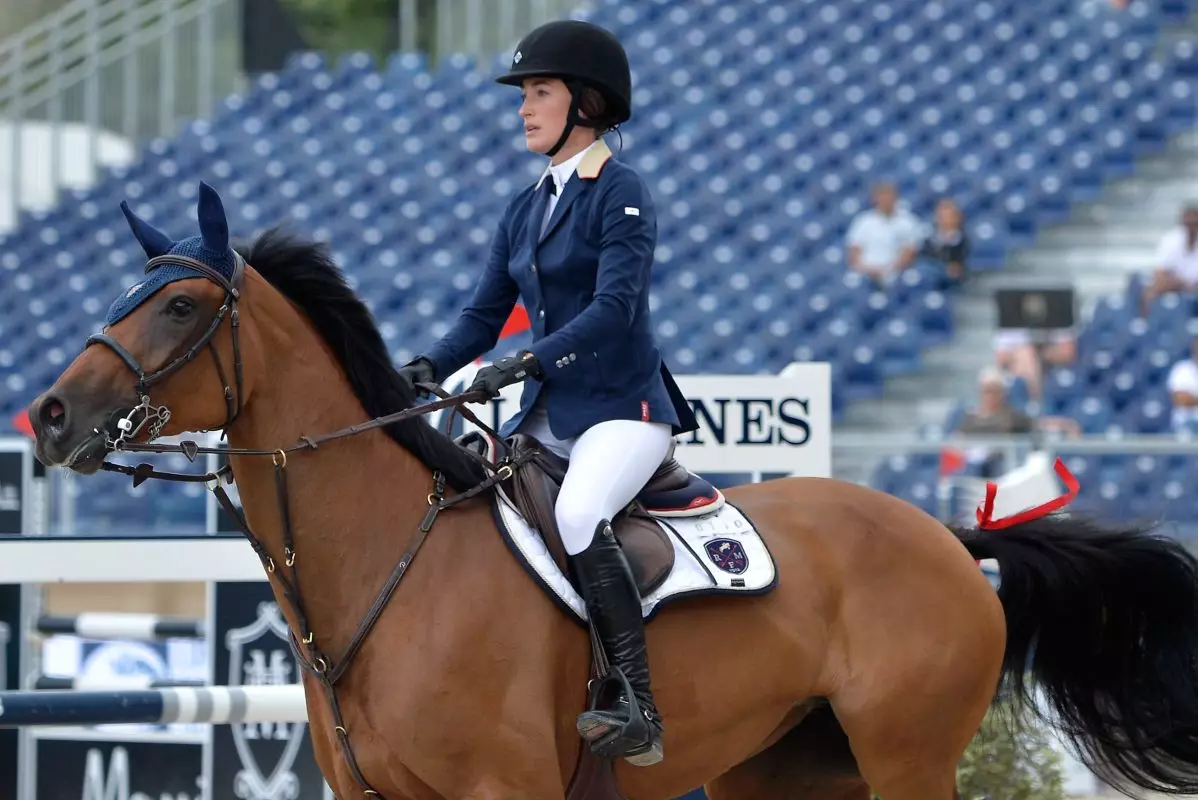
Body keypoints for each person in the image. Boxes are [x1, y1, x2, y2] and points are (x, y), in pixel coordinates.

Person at [396, 19, 698, 767]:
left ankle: (637, 704)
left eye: (540, 93)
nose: (524, 109)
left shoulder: (619, 192)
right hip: (552, 414)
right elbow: (481, 314)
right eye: (524, 95)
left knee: (577, 511)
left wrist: (525, 361)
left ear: (586, 104)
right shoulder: (526, 206)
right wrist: (424, 366)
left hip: (623, 409)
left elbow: (614, 308)